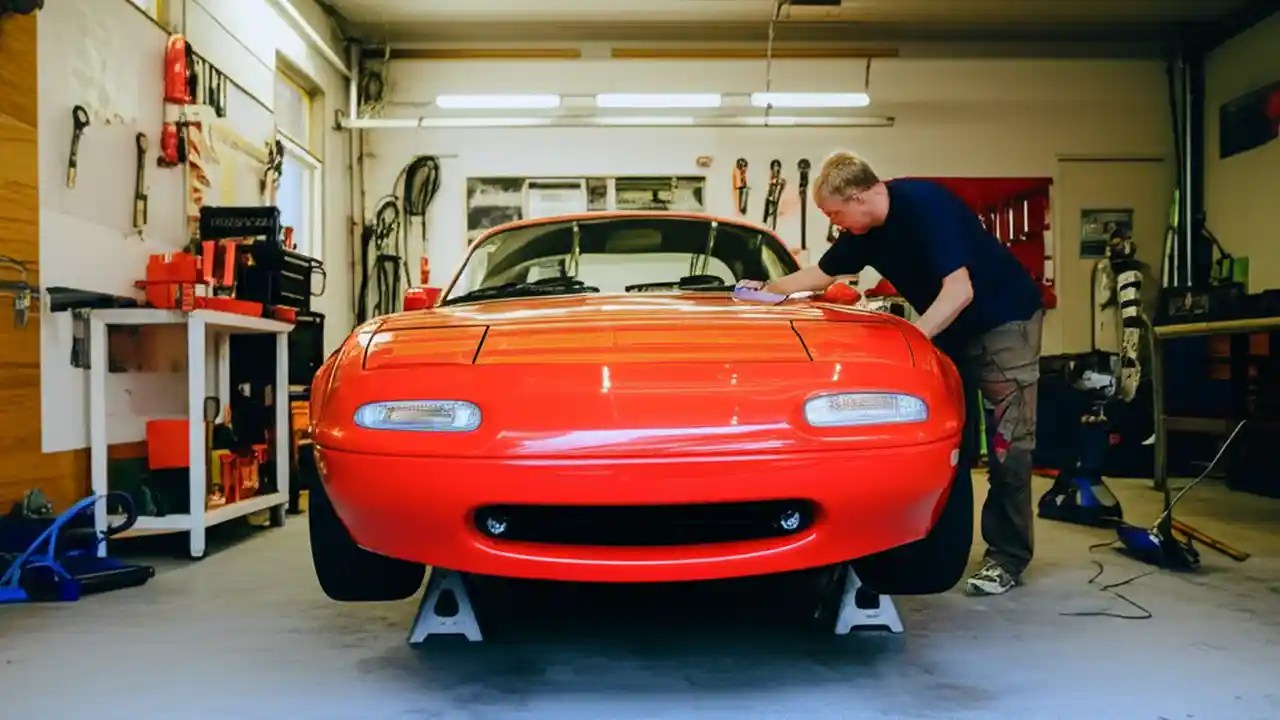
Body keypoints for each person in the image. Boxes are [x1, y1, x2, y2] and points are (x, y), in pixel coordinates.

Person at [744, 150, 1044, 595]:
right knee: (950, 442)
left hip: (1004, 324)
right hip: (951, 326)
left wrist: (914, 340)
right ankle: (934, 547)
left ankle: (1008, 558)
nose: (835, 222)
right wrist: (766, 291)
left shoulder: (926, 206)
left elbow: (958, 290)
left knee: (1008, 448)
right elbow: (822, 275)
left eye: (835, 212)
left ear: (861, 194)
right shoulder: (866, 229)